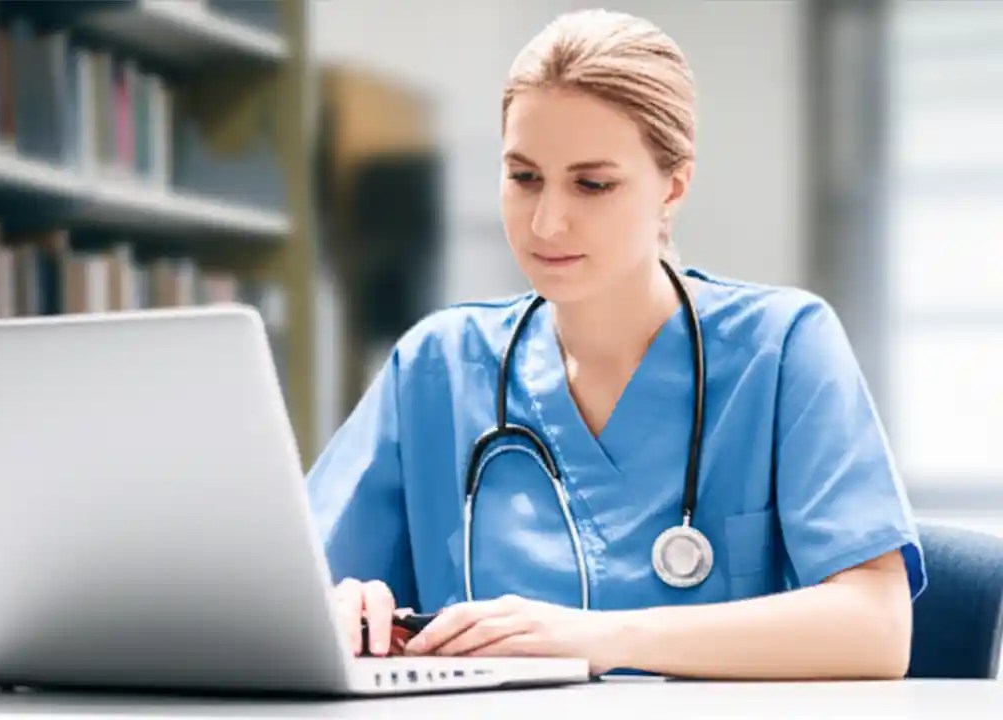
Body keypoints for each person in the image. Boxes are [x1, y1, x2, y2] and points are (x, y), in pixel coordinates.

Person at [305, 9, 925, 680]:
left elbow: (877, 629)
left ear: (674, 187)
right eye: (523, 177)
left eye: (592, 184)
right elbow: (289, 587)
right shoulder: (436, 367)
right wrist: (340, 605)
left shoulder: (781, 349)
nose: (547, 221)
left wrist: (598, 638)